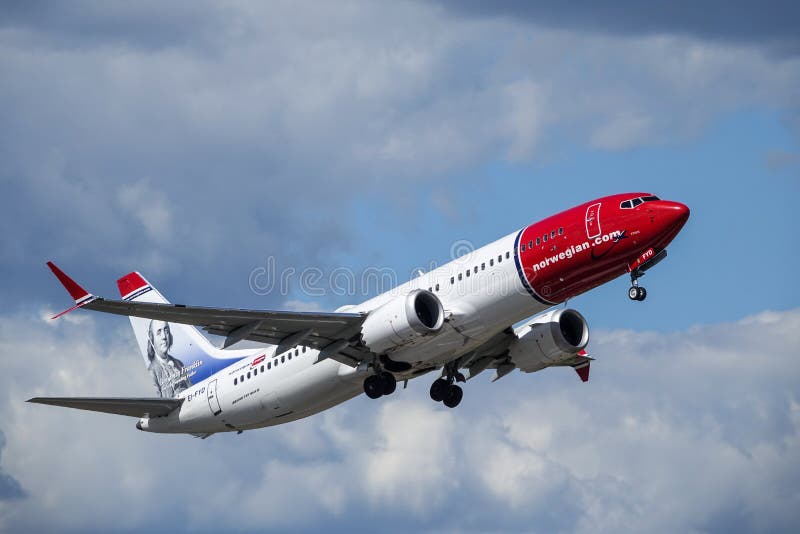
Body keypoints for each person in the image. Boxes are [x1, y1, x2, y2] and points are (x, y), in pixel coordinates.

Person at [147, 320, 191, 397]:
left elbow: (190, 387)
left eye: (166, 331)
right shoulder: (152, 372)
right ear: (152, 339)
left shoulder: (179, 363)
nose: (164, 336)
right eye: (159, 332)